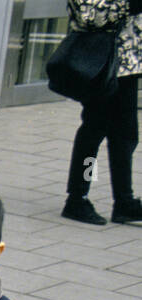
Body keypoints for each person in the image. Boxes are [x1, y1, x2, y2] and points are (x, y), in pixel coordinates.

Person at [61, 0, 142, 224]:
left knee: (126, 135)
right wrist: (129, 5)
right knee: (93, 133)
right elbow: (87, 14)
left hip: (128, 62)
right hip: (99, 62)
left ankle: (124, 201)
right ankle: (78, 197)